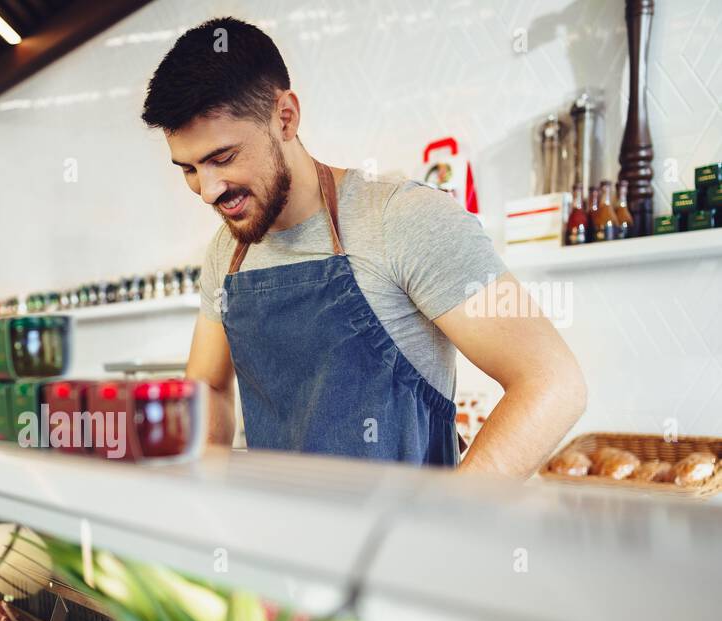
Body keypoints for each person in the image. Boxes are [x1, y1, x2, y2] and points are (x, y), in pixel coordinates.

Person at [142, 18, 586, 475]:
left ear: (285, 117)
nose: (208, 190)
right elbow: (209, 389)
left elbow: (552, 382)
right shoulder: (227, 252)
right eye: (189, 169)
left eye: (223, 158)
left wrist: (450, 519)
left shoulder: (404, 219)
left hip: (404, 541)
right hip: (279, 537)